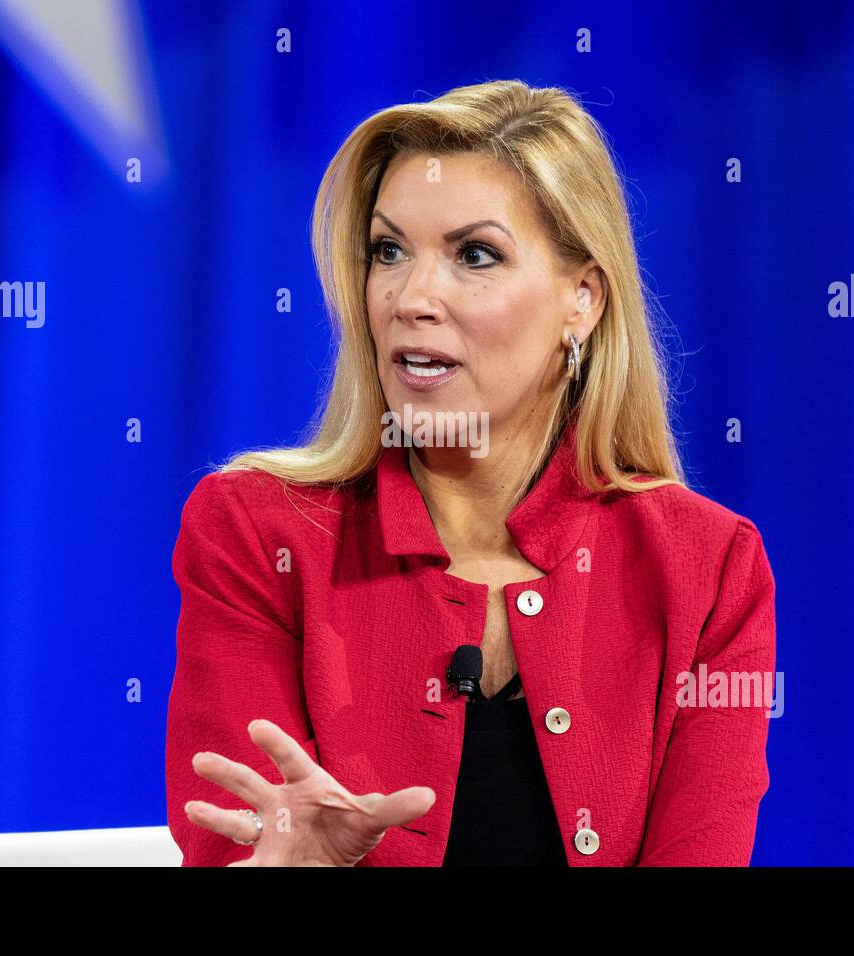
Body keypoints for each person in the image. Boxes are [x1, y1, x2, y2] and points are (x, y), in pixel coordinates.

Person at [165, 79, 777, 866]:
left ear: (581, 300)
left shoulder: (707, 568)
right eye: (388, 252)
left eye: (474, 255)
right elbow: (230, 843)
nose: (412, 297)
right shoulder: (256, 532)